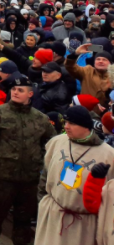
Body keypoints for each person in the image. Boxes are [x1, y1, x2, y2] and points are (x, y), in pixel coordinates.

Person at [35, 104, 114, 245]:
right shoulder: (57, 142)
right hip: (53, 215)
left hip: (84, 224)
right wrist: (42, 202)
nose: (66, 126)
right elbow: (45, 176)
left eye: (71, 123)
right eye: (65, 122)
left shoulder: (108, 154)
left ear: (85, 126)